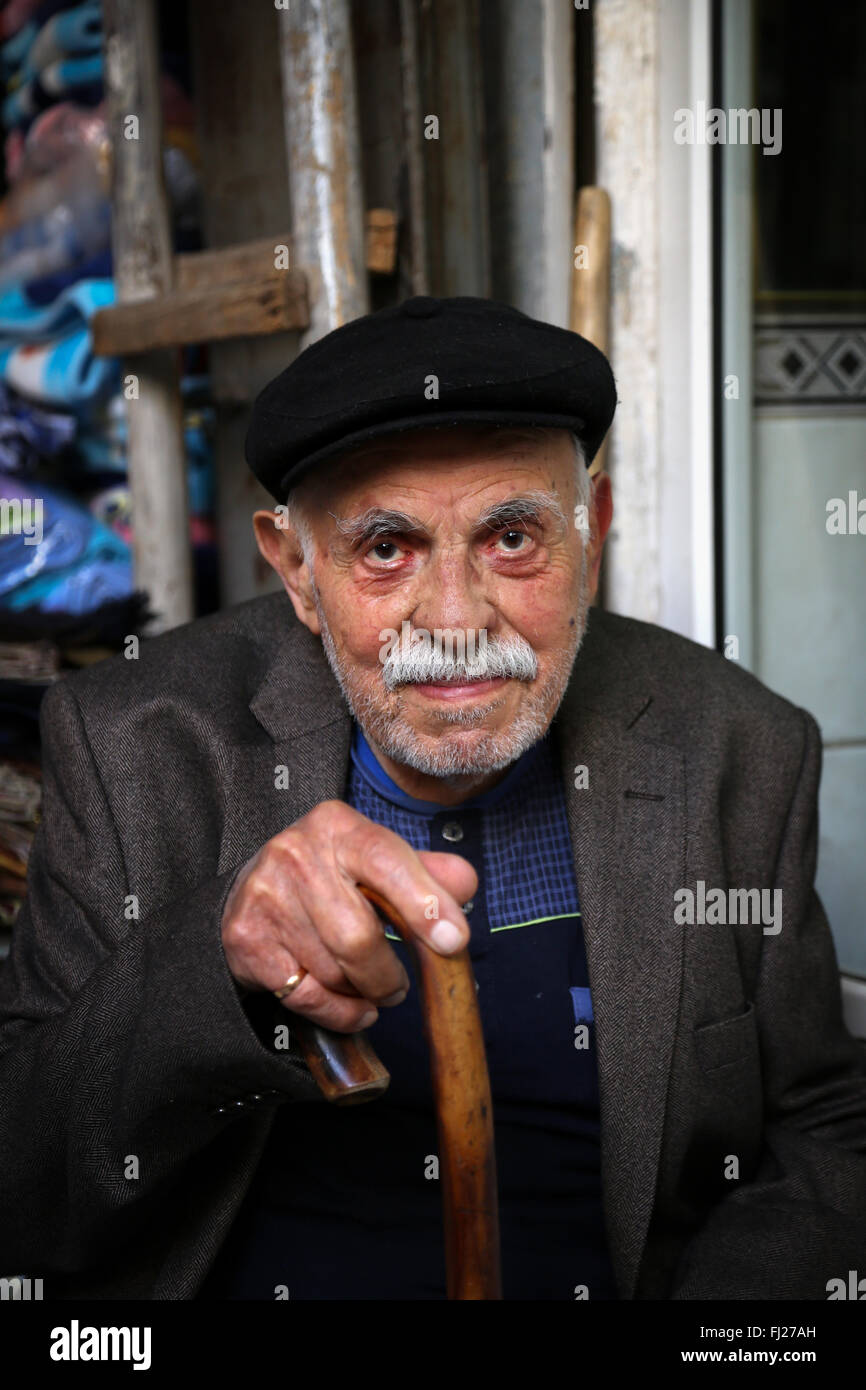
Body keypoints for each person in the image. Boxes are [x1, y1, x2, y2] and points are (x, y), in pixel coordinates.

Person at [1, 296, 864, 1300]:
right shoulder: (133, 744)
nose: (453, 621)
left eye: (510, 537)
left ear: (594, 533)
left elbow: (822, 1126)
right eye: (384, 549)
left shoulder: (737, 748)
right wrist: (218, 954)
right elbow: (23, 1183)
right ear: (295, 567)